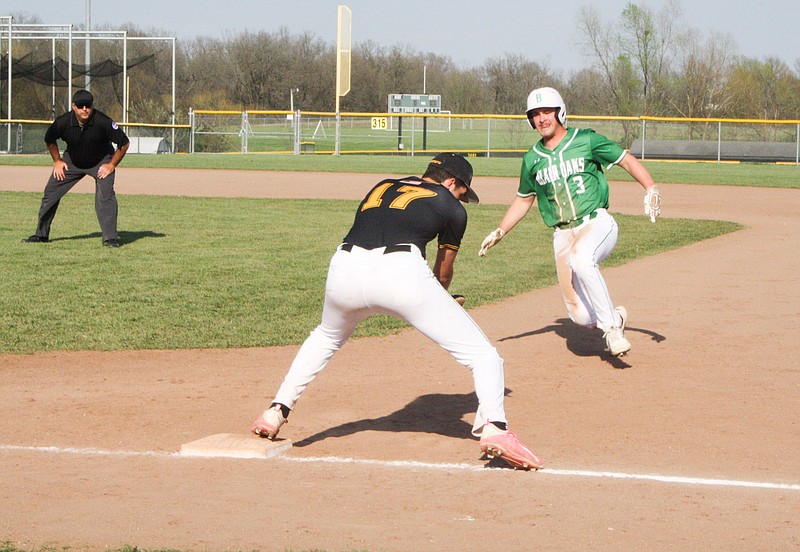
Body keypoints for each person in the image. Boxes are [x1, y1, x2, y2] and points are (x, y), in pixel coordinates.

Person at [252, 153, 543, 470]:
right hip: (400, 273)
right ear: (451, 182)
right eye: (462, 191)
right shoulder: (451, 207)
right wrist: (439, 299)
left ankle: (275, 412)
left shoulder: (384, 184)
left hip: (344, 267)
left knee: (325, 336)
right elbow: (443, 272)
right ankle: (495, 429)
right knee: (484, 356)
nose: (460, 198)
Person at [478, 87, 661, 357]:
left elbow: (626, 160)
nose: (542, 119)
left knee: (582, 258)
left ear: (560, 112)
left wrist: (651, 188)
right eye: (535, 114)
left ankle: (611, 331)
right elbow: (524, 199)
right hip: (562, 235)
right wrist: (500, 230)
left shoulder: (586, 140)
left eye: (547, 112)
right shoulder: (532, 160)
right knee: (581, 319)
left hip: (596, 222)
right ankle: (615, 317)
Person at [22, 89, 130, 248]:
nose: (85, 109)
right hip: (72, 161)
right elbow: (49, 139)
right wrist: (57, 160)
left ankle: (110, 238)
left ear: (92, 106)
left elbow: (124, 143)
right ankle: (41, 235)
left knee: (106, 196)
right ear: (73, 106)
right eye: (81, 106)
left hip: (101, 161)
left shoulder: (103, 121)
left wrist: (111, 164)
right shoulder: (63, 122)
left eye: (88, 105)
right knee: (51, 192)